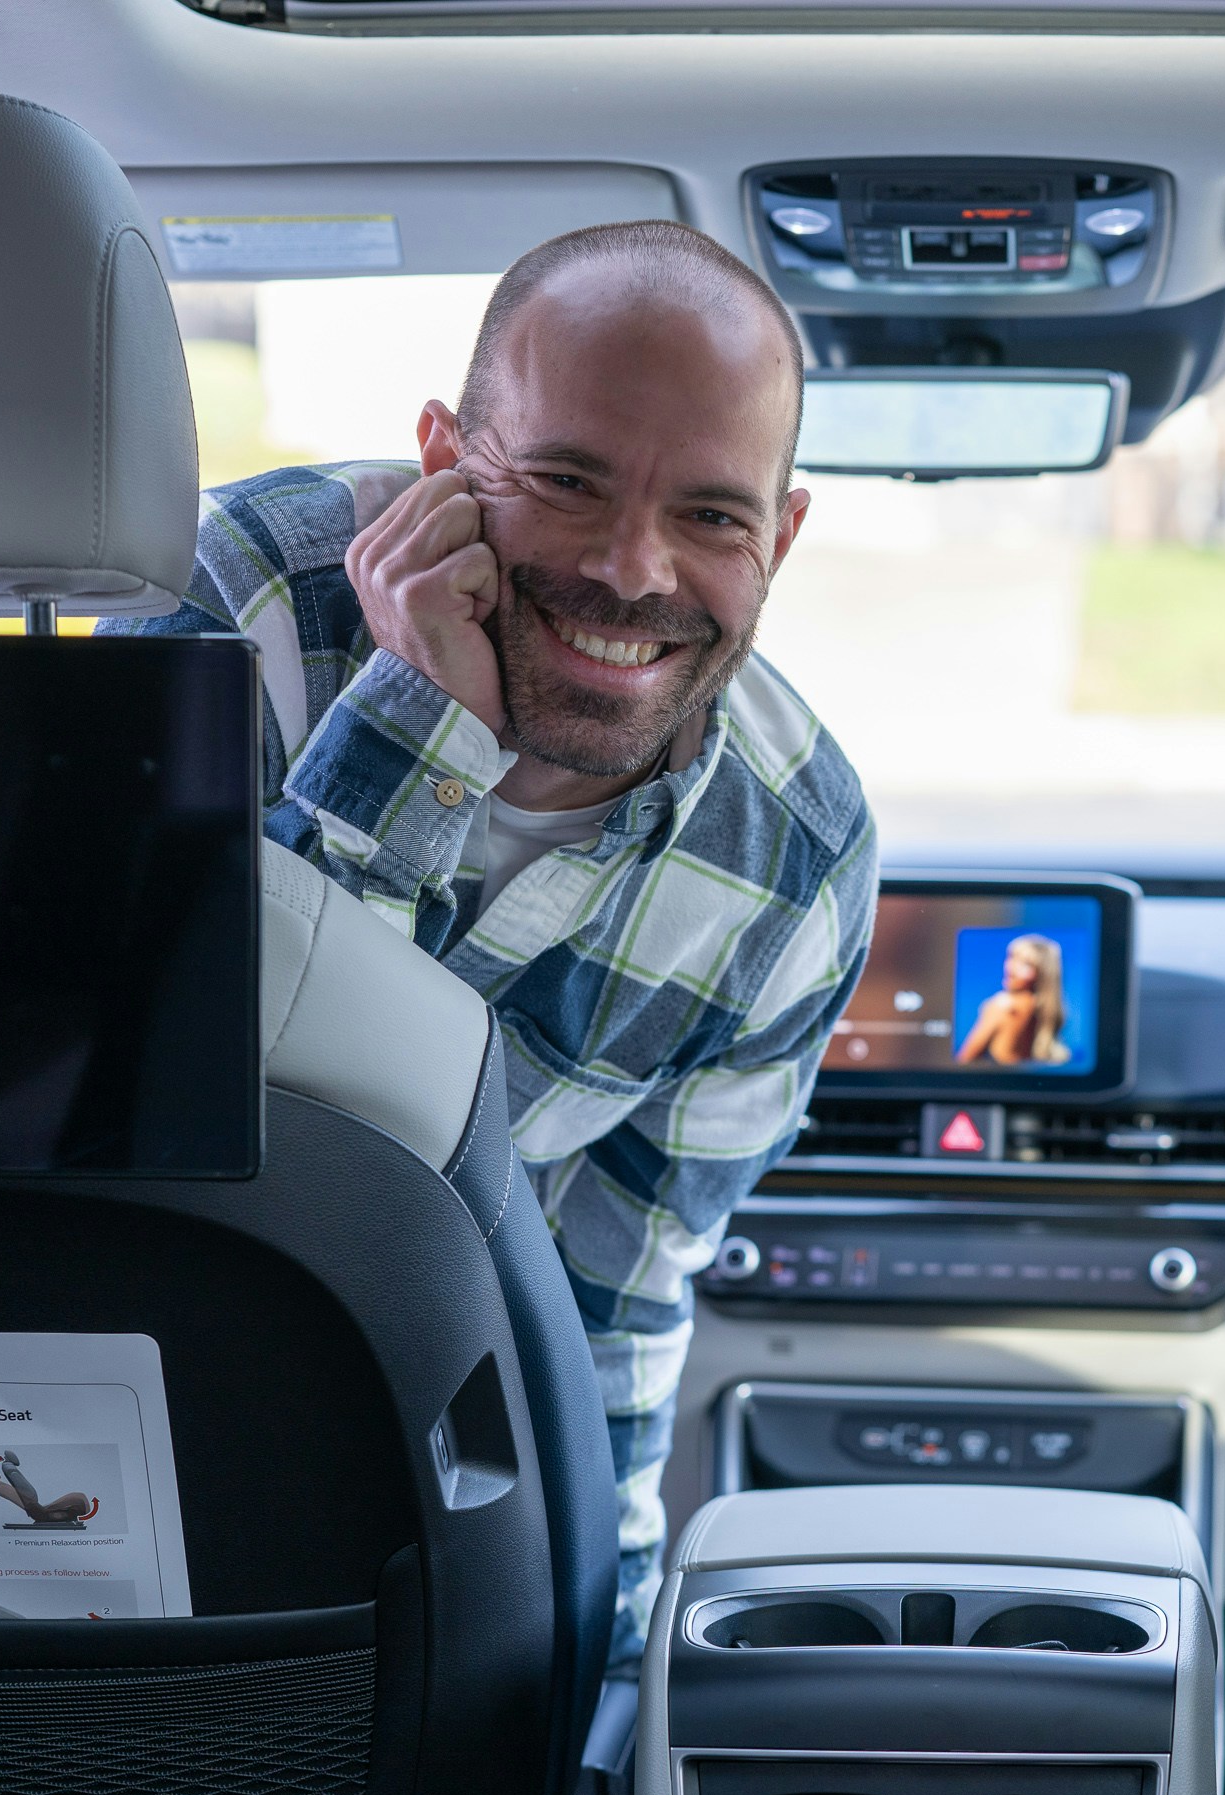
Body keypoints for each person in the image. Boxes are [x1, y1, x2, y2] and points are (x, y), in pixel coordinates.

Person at [106, 221, 877, 1667]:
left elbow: (612, 1316)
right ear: (445, 460)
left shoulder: (794, 865)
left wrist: (601, 1664)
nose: (633, 570)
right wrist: (417, 729)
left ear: (778, 540)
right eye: (568, 481)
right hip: (103, 1405)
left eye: (712, 516)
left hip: (401, 1487)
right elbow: (156, 1132)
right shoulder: (232, 611)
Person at [957, 934, 1070, 1067]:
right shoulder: (1042, 1010)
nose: (1011, 968)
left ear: (1042, 973)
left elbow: (965, 1059)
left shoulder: (1004, 1005)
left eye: (1026, 964)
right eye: (1012, 957)